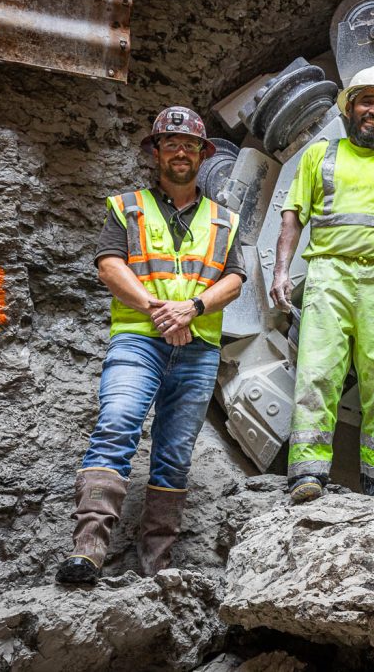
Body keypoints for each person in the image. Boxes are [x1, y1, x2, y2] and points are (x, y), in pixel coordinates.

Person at [55, 106, 245, 585]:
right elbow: (108, 265)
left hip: (198, 346)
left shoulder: (224, 220)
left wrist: (192, 309)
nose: (180, 152)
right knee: (117, 422)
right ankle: (88, 550)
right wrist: (159, 310)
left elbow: (236, 279)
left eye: (190, 145)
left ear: (203, 155)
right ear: (156, 152)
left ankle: (155, 565)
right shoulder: (127, 206)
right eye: (171, 143)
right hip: (139, 339)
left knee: (176, 452)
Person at [269, 65, 374, 503]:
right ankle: (307, 473)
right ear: (350, 107)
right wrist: (282, 270)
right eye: (366, 101)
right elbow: (293, 216)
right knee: (318, 373)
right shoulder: (318, 156)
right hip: (329, 274)